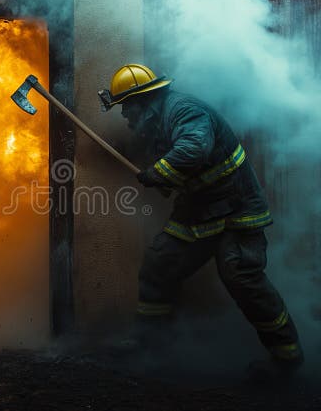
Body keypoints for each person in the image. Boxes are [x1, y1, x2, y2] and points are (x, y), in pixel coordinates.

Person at [99, 64, 303, 377]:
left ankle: (286, 357)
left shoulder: (184, 111)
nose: (125, 115)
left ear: (142, 101)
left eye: (126, 107)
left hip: (237, 211)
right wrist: (166, 178)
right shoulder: (157, 122)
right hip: (198, 211)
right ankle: (151, 345)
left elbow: (194, 148)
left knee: (241, 278)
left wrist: (158, 173)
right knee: (159, 266)